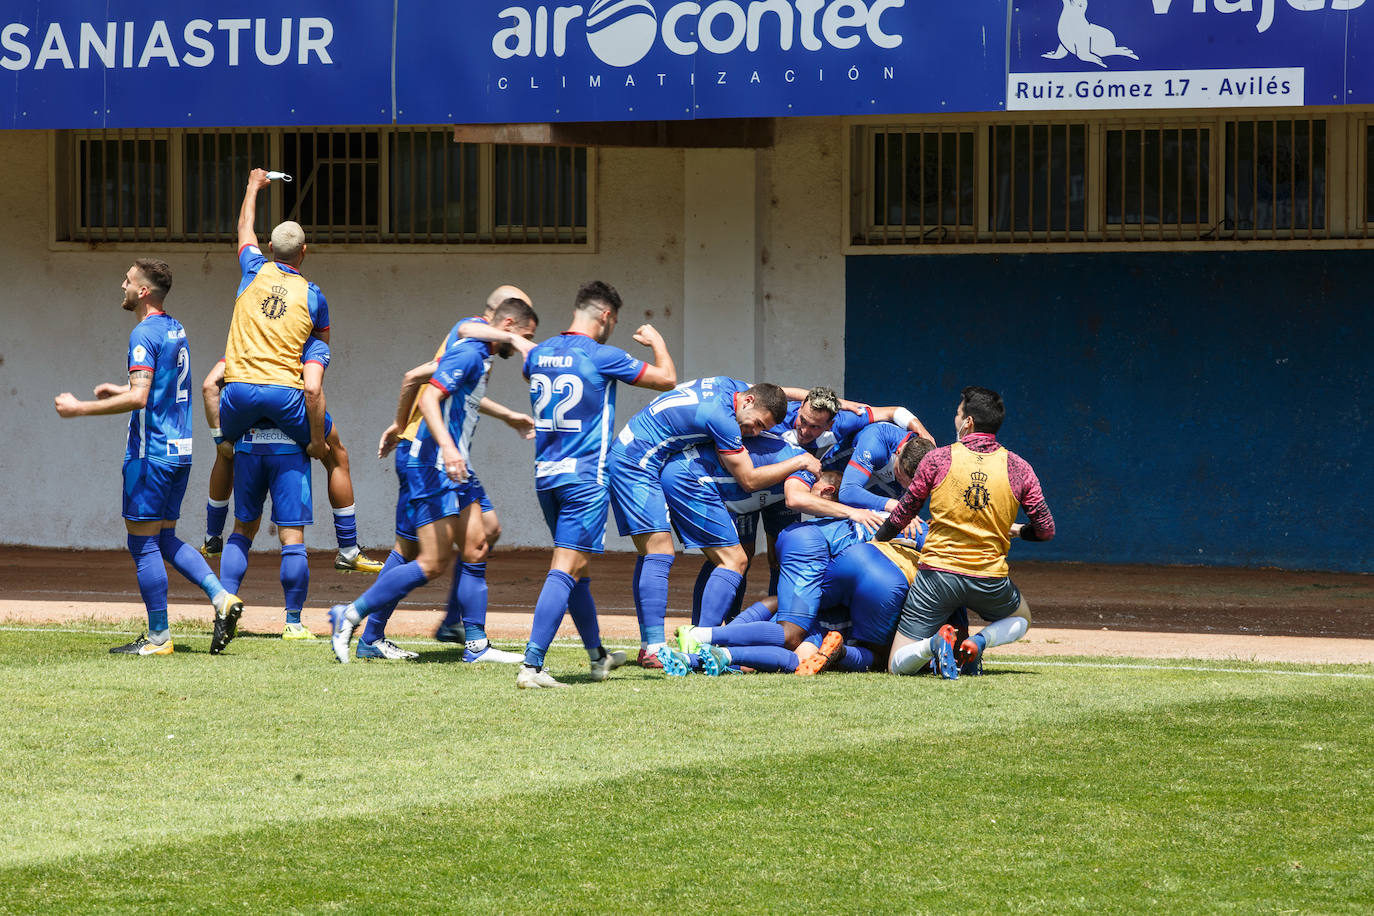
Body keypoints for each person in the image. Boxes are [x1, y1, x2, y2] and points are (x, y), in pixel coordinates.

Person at [328, 299, 539, 663]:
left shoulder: (479, 354)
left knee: (480, 539)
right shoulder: (471, 352)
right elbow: (429, 399)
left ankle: (476, 646)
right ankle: (348, 615)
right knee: (430, 563)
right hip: (432, 465)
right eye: (527, 335)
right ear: (508, 323)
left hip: (454, 465)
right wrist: (447, 447)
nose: (528, 343)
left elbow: (421, 379)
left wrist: (507, 417)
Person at [53, 259, 242, 655]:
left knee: (142, 545)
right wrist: (119, 387)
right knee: (166, 537)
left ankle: (158, 637)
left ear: (143, 292)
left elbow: (141, 397)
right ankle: (222, 597)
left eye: (128, 280)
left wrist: (79, 408)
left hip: (150, 453)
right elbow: (155, 385)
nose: (121, 284)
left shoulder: (142, 332)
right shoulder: (176, 327)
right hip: (180, 452)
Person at [516, 280, 678, 688]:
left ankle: (597, 656)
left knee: (579, 570)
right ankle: (532, 666)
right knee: (566, 568)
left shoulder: (537, 353)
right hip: (585, 477)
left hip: (546, 476)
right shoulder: (603, 355)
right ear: (606, 316)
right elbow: (667, 380)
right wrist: (656, 342)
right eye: (614, 321)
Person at [607, 377, 821, 666]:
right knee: (723, 559)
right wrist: (801, 461)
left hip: (635, 453)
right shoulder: (724, 421)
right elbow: (748, 480)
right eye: (757, 423)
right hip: (638, 463)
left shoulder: (729, 386)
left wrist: (840, 403)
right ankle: (691, 645)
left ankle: (654, 645)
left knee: (652, 554)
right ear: (748, 402)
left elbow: (781, 391)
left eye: (762, 429)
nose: (754, 432)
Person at [879, 387, 1056, 678]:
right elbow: (1046, 530)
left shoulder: (938, 459)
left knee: (897, 663)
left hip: (937, 576)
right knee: (1021, 618)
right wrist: (1020, 531)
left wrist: (878, 540)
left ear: (968, 422)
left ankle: (934, 644)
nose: (955, 417)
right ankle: (978, 642)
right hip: (989, 579)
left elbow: (903, 513)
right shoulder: (1019, 467)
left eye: (958, 413)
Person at [199, 342, 385, 579]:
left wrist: (219, 438)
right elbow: (312, 389)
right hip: (287, 405)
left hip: (245, 408)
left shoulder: (247, 340)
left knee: (225, 452)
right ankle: (348, 549)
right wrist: (317, 440)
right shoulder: (307, 343)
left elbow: (209, 386)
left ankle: (212, 536)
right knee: (337, 457)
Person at [218, 168, 330, 464]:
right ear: (304, 251)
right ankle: (345, 513)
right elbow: (319, 344)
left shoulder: (254, 269)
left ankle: (216, 512)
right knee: (337, 456)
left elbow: (244, 225)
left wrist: (252, 185)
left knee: (224, 449)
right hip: (285, 394)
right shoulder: (312, 294)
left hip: (239, 391)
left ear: (269, 248)